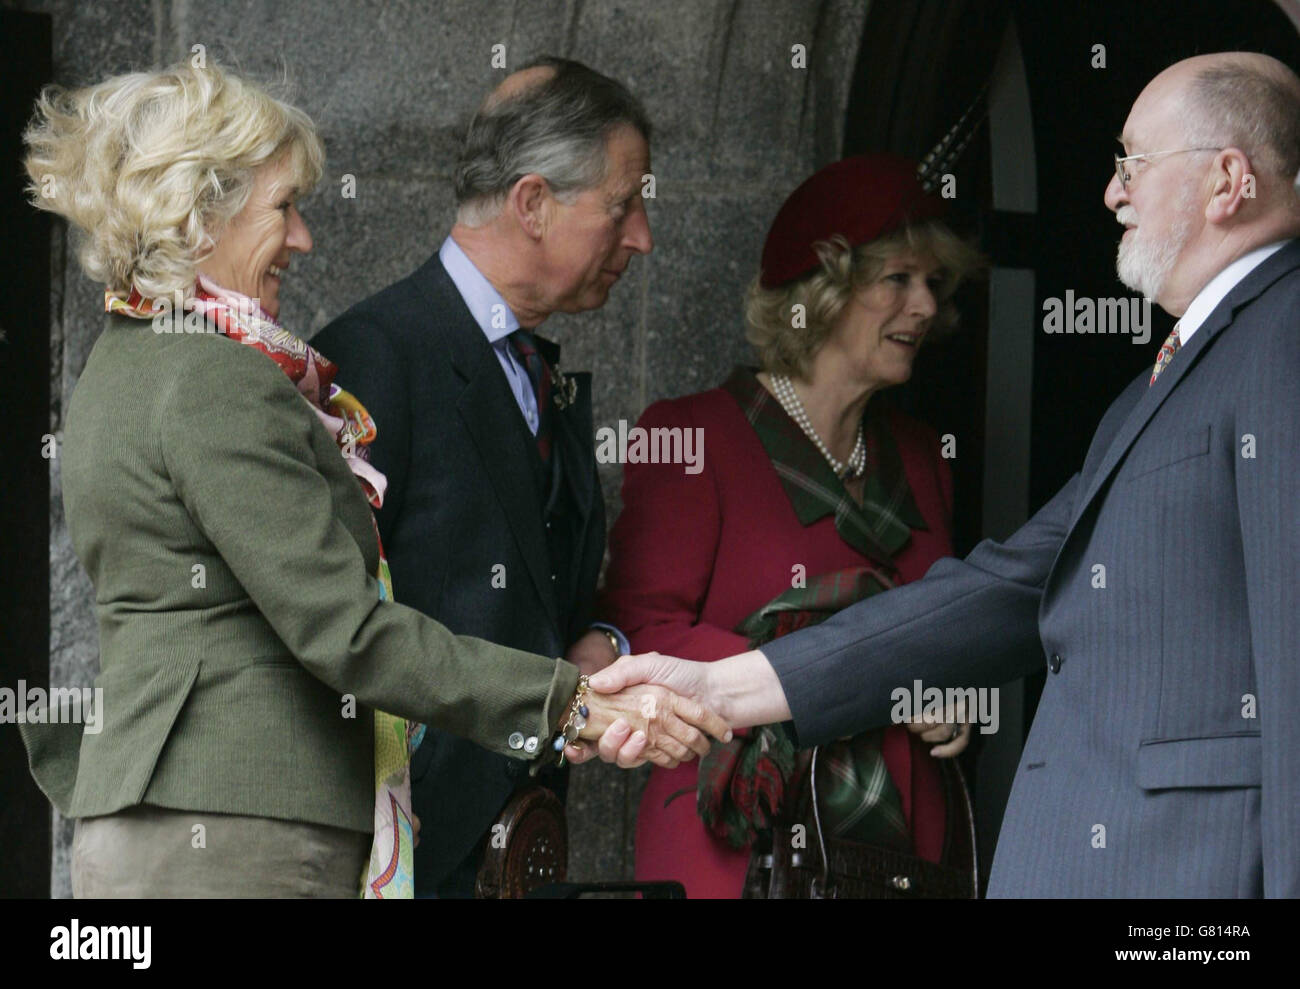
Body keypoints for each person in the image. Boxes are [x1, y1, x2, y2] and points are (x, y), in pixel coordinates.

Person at [586, 51, 1300, 898]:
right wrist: (719, 685)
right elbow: (1004, 589)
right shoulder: (1163, 382)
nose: (1112, 192)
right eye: (897, 278)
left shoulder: (1284, 336)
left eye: (1131, 163)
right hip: (757, 838)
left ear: (1227, 181)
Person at [18, 61, 725, 898]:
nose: (306, 238)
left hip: (183, 821)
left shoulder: (128, 363)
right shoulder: (213, 375)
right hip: (235, 829)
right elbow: (344, 630)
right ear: (199, 213)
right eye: (284, 207)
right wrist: (565, 702)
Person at [310, 56, 654, 897]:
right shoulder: (375, 352)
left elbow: (548, 593)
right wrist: (366, 809)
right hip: (405, 854)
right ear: (533, 202)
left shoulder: (541, 363)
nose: (642, 236)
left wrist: (600, 643)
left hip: (521, 851)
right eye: (623, 205)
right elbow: (322, 617)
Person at [595, 155, 983, 897]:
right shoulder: (690, 436)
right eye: (898, 280)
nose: (926, 306)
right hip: (740, 838)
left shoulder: (925, 456)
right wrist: (841, 674)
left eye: (935, 284)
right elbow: (641, 631)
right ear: (824, 289)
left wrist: (950, 690)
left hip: (901, 849)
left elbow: (951, 630)